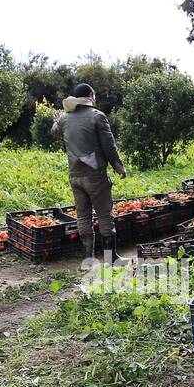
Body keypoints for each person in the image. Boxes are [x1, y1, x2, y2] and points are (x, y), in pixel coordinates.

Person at [51, 83, 126, 260]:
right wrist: (119, 166)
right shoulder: (97, 117)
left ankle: (88, 258)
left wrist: (57, 121)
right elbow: (109, 146)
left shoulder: (65, 118)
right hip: (95, 176)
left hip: (75, 176)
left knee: (83, 217)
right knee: (104, 215)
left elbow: (55, 132)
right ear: (91, 95)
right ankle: (111, 258)